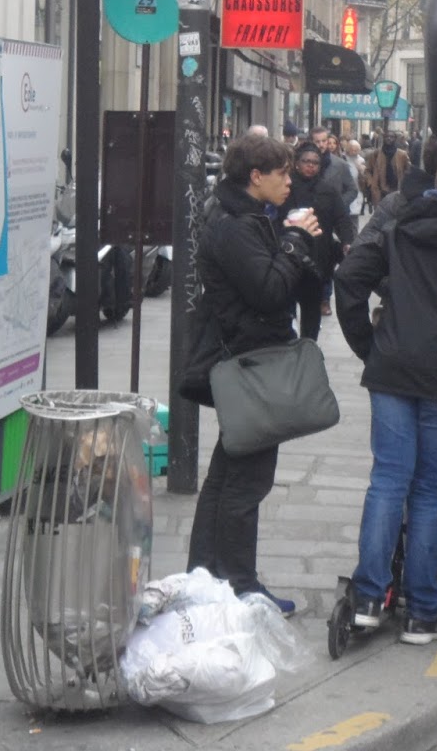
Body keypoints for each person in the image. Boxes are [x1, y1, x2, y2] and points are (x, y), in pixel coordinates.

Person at [334, 151, 437, 644]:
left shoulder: (398, 224)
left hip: (393, 370)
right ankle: (423, 613)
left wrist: (369, 345)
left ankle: (368, 599)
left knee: (387, 481)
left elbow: (348, 279)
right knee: (430, 493)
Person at [181, 133, 323, 614]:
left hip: (245, 361)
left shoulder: (241, 218)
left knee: (227, 473)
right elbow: (268, 292)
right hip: (249, 364)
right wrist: (295, 240)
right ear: (255, 177)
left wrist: (294, 243)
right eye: (281, 173)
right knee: (245, 480)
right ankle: (239, 585)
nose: (290, 180)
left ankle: (205, 577)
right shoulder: (237, 227)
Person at [285, 140, 355, 337]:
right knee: (286, 311)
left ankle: (309, 348)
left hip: (317, 257)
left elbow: (342, 219)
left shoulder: (327, 190)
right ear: (297, 163)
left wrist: (347, 241)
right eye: (306, 161)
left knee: (311, 312)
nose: (310, 165)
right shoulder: (286, 187)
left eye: (315, 162)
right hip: (288, 257)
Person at [365, 131, 410, 208]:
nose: (389, 139)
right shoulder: (375, 154)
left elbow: (409, 170)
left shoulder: (402, 155)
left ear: (395, 139)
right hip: (380, 190)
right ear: (383, 138)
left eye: (391, 137)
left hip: (397, 190)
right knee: (381, 214)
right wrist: (371, 183)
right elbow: (367, 170)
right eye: (387, 137)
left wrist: (406, 184)